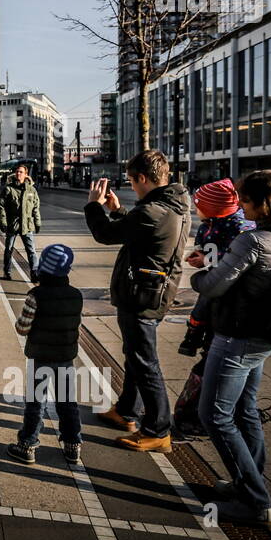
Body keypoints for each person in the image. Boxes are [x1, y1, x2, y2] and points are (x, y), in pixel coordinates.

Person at [188, 170, 271, 528]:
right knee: (245, 411)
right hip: (263, 337)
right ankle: (247, 482)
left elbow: (212, 286)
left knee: (214, 416)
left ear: (262, 203)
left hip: (237, 338)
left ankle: (256, 502)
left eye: (245, 199)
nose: (240, 204)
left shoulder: (251, 241)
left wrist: (199, 271)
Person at [84, 150, 191, 452]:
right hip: (153, 290)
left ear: (143, 178)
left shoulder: (152, 211)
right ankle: (126, 411)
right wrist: (119, 212)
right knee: (135, 355)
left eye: (131, 181)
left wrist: (93, 205)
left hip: (142, 294)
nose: (131, 187)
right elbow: (139, 234)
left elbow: (105, 234)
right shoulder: (174, 205)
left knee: (145, 362)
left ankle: (158, 429)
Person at [7, 244, 84, 466]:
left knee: (36, 403)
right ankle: (72, 446)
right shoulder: (76, 296)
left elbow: (23, 328)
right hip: (66, 357)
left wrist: (21, 324)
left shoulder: (35, 295)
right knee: (67, 402)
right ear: (67, 269)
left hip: (41, 357)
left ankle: (28, 445)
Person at [178, 179, 255, 358]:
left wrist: (206, 259)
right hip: (215, 276)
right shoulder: (210, 223)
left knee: (207, 306)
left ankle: (196, 336)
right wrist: (197, 254)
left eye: (199, 208)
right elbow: (204, 245)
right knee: (204, 306)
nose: (196, 212)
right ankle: (197, 336)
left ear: (213, 209)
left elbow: (233, 257)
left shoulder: (238, 227)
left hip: (231, 284)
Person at [0, 163, 41, 280]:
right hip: (12, 224)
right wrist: (3, 222)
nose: (18, 173)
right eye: (17, 171)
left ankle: (34, 273)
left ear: (25, 174)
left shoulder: (31, 190)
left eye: (21, 172)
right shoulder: (8, 189)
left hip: (27, 225)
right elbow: (1, 206)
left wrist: (38, 223)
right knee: (8, 249)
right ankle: (7, 272)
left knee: (31, 250)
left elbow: (36, 207)